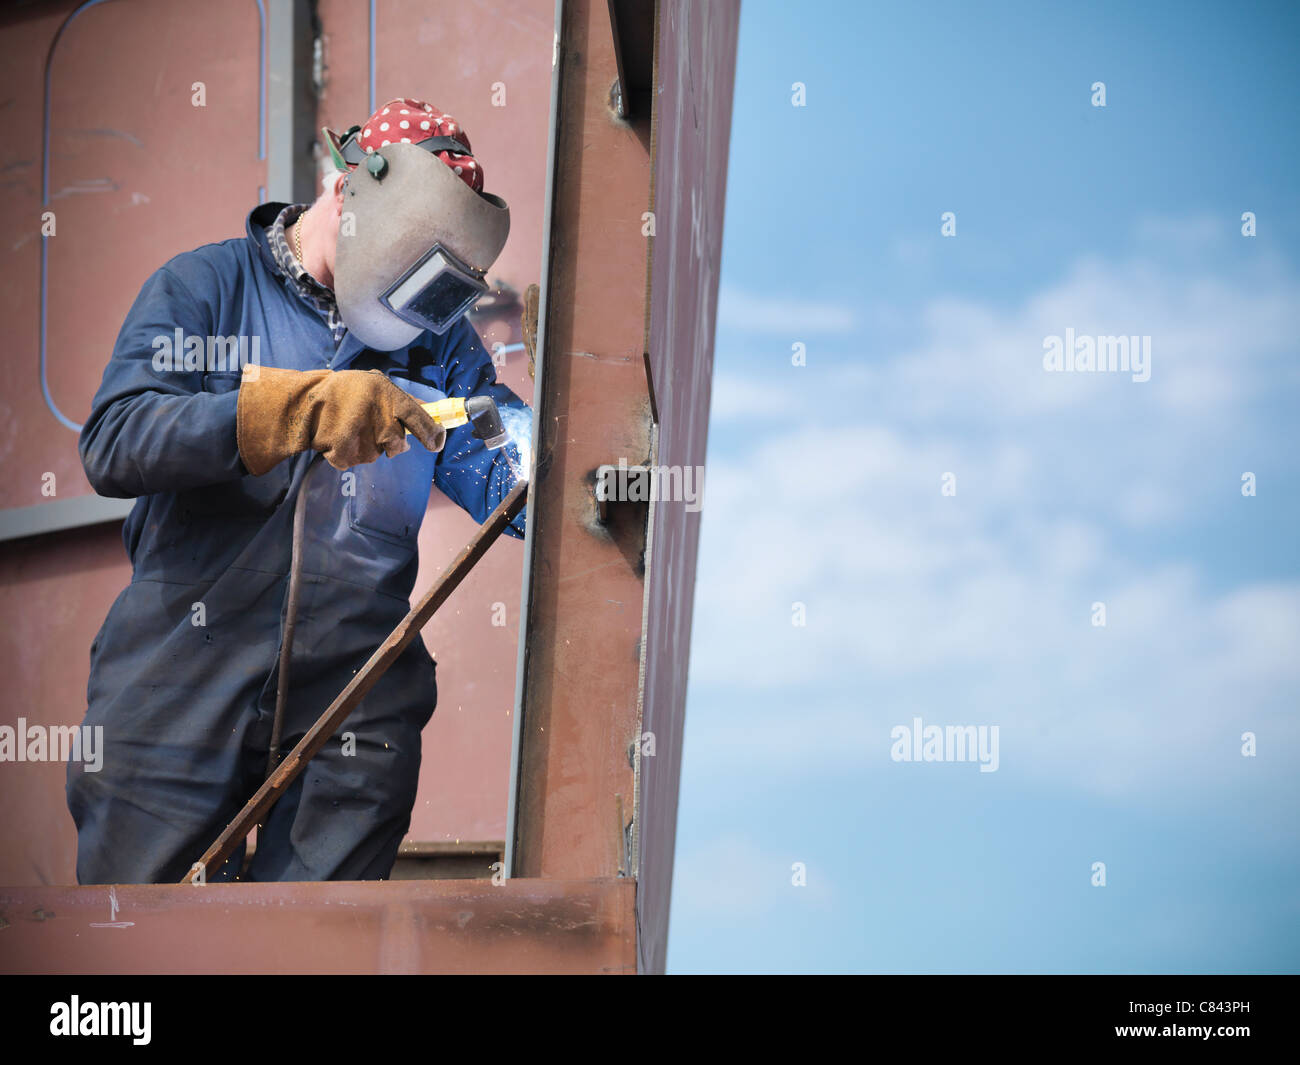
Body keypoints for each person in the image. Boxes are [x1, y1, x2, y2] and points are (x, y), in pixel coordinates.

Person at [67, 98, 528, 884]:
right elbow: (116, 441)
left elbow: (505, 468)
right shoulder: (207, 287)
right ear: (345, 193)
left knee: (315, 950)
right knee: (132, 955)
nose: (417, 313)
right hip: (181, 675)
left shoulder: (436, 343)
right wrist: (294, 409)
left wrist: (551, 455)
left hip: (349, 699)